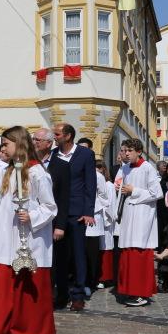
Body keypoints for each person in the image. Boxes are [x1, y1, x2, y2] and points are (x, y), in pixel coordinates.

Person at [0, 126, 58, 334]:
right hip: (6, 238)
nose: (2, 149)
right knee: (3, 288)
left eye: (6, 144)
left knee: (28, 287)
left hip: (30, 238)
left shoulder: (37, 173)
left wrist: (31, 215)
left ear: (19, 144)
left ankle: (31, 332)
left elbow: (51, 207)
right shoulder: (8, 171)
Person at [49, 123, 96, 312]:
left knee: (77, 254)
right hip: (57, 211)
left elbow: (90, 185)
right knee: (59, 256)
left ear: (68, 136)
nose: (55, 137)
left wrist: (88, 212)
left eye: (57, 134)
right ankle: (61, 294)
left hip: (77, 212)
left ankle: (78, 295)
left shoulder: (85, 155)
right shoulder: (53, 154)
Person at [113, 138, 162, 307]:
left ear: (139, 152)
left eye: (130, 151)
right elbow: (122, 188)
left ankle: (140, 293)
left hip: (142, 215)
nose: (126, 153)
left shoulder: (148, 168)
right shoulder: (125, 168)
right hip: (128, 214)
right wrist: (119, 187)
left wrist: (134, 190)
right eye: (125, 150)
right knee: (127, 252)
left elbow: (157, 193)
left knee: (138, 253)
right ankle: (128, 290)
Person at [32, 128, 69, 309]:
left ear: (49, 143)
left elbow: (63, 198)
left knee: (55, 260)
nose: (35, 142)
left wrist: (60, 225)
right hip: (32, 218)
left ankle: (59, 295)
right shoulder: (29, 164)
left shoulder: (61, 166)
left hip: (53, 219)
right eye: (34, 139)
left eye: (39, 140)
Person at [89, 158, 116, 288]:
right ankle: (97, 276)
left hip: (105, 220)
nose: (97, 171)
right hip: (96, 220)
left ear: (104, 170)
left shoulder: (109, 185)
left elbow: (109, 204)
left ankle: (105, 277)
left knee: (105, 248)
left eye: (99, 168)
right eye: (95, 168)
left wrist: (107, 219)